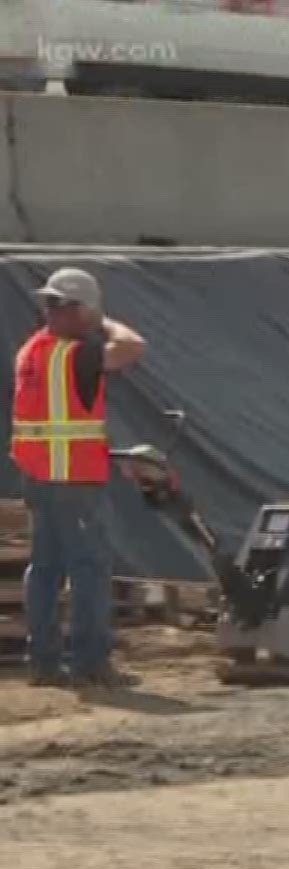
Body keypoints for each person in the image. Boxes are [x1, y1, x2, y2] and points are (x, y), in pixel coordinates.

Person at [12, 268, 147, 689]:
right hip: (74, 479)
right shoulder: (78, 354)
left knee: (45, 569)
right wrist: (105, 321)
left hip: (39, 478)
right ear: (78, 310)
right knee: (89, 568)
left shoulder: (32, 351)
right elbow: (132, 346)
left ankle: (44, 663)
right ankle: (91, 662)